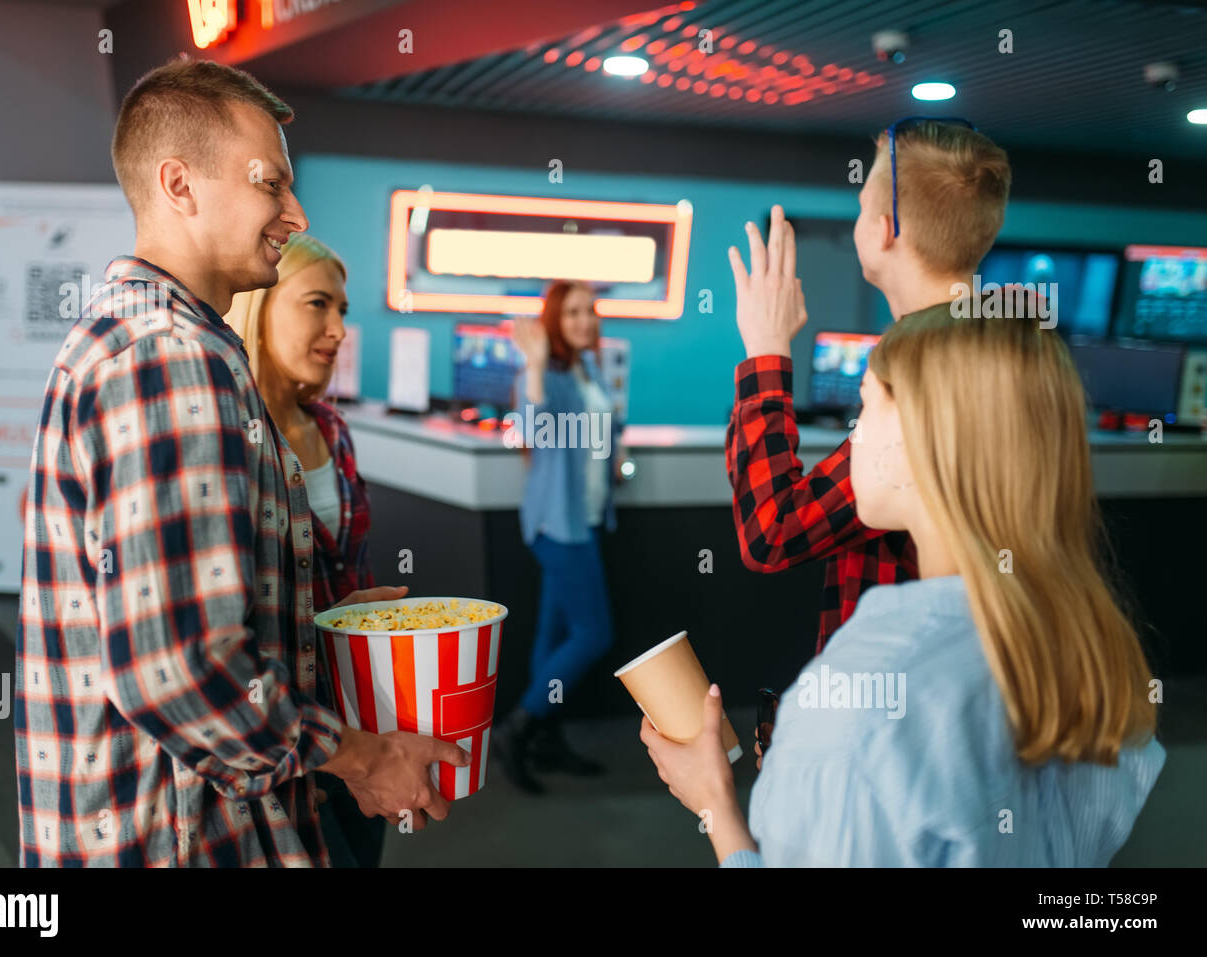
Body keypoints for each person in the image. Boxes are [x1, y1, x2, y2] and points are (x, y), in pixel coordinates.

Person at [15, 57, 467, 867]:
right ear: (179, 185)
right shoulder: (166, 357)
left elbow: (174, 612)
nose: (294, 212)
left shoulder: (146, 338)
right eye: (271, 185)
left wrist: (310, 612)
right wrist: (365, 759)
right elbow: (178, 668)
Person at [642, 301, 1166, 866]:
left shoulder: (855, 705)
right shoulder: (1095, 654)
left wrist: (714, 803)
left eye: (864, 409)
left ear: (922, 440)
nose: (852, 442)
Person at [725, 119, 1013, 668]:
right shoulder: (1003, 351)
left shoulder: (926, 374)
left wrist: (765, 348)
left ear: (882, 230)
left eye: (860, 207)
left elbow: (771, 534)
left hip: (898, 694)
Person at [224, 232, 386, 867]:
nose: (338, 329)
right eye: (317, 304)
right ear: (262, 304)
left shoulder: (333, 429)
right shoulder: (229, 431)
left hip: (357, 722)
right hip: (274, 732)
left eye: (343, 311)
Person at [492, 281, 624, 793]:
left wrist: (612, 449)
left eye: (589, 310)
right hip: (558, 525)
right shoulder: (545, 372)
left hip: (584, 518)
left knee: (553, 634)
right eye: (572, 312)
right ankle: (518, 727)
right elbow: (534, 428)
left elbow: (600, 427)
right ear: (553, 320)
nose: (585, 320)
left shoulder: (587, 367)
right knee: (594, 635)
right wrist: (535, 364)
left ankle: (546, 737)